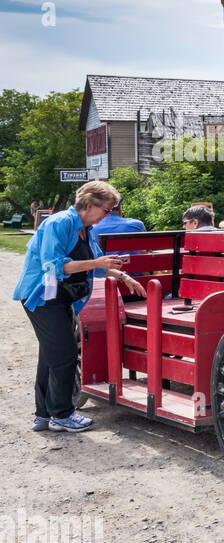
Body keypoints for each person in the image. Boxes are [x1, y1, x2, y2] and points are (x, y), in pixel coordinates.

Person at [13, 181, 145, 432]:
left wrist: (123, 277)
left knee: (50, 357)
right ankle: (62, 415)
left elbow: (95, 264)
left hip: (60, 297)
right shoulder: (59, 223)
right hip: (40, 296)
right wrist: (96, 263)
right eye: (107, 210)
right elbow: (52, 266)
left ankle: (43, 415)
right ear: (89, 205)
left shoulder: (87, 228)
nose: (109, 215)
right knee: (65, 356)